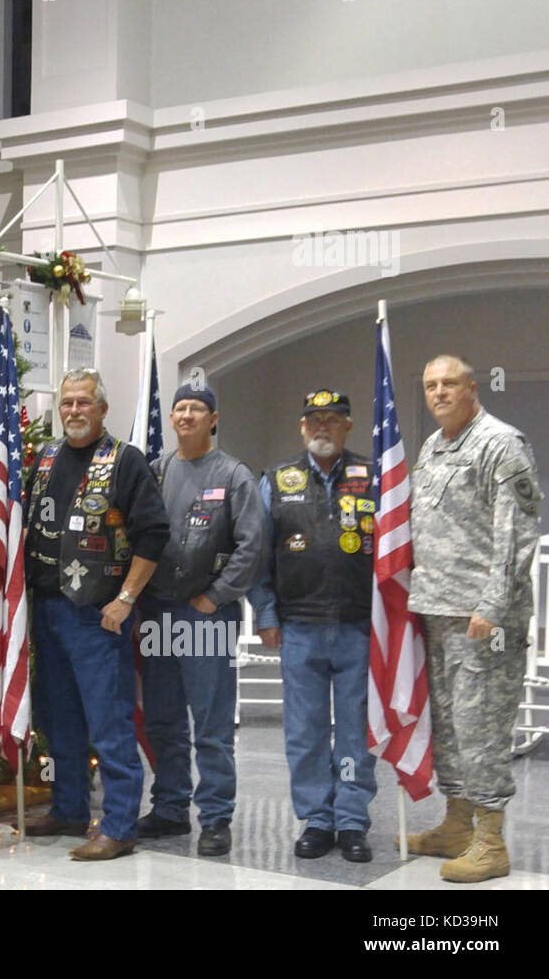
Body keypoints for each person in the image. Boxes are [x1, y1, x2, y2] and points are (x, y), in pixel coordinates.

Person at [404, 354, 542, 883]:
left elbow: (517, 532)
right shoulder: (434, 446)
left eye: (449, 384)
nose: (439, 393)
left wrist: (494, 604)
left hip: (483, 618)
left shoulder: (501, 443)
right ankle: (457, 824)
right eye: (430, 385)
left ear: (471, 388)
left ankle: (491, 842)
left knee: (482, 726)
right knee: (452, 725)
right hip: (438, 610)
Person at [23, 367, 170, 860]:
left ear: (103, 409)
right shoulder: (44, 459)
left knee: (109, 721)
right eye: (67, 403)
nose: (74, 411)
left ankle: (121, 825)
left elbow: (152, 534)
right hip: (45, 610)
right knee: (58, 717)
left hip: (96, 616)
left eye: (84, 402)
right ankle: (68, 808)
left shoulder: (125, 461)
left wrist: (125, 598)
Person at [248, 389, 377, 863]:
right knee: (304, 730)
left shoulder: (373, 476)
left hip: (358, 625)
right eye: (313, 420)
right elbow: (258, 553)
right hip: (298, 626)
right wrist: (264, 613)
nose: (322, 427)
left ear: (347, 426)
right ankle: (317, 819)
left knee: (354, 732)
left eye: (332, 419)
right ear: (302, 428)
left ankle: (351, 820)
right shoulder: (278, 479)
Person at [139, 384, 267, 857]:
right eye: (180, 409)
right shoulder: (155, 473)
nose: (187, 415)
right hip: (158, 614)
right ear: (171, 418)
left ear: (213, 419)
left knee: (211, 724)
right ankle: (170, 809)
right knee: (163, 720)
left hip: (206, 616)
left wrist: (214, 598)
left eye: (197, 409)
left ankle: (215, 818)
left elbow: (253, 548)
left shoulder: (234, 476)